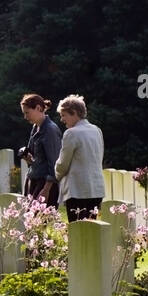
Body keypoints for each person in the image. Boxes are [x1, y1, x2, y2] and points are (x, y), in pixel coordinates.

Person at [52, 94, 105, 222]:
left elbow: (63, 164)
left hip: (77, 191)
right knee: (92, 230)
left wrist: (56, 174)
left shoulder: (71, 133)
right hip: (96, 189)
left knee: (77, 232)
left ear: (74, 113)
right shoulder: (96, 130)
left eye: (64, 115)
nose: (62, 119)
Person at [19, 93, 61, 206]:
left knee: (40, 221)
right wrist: (28, 158)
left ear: (38, 108)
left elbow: (54, 162)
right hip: (34, 179)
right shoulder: (35, 127)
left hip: (45, 184)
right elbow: (35, 156)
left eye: (27, 113)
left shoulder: (50, 130)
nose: (25, 117)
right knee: (31, 221)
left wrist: (46, 190)